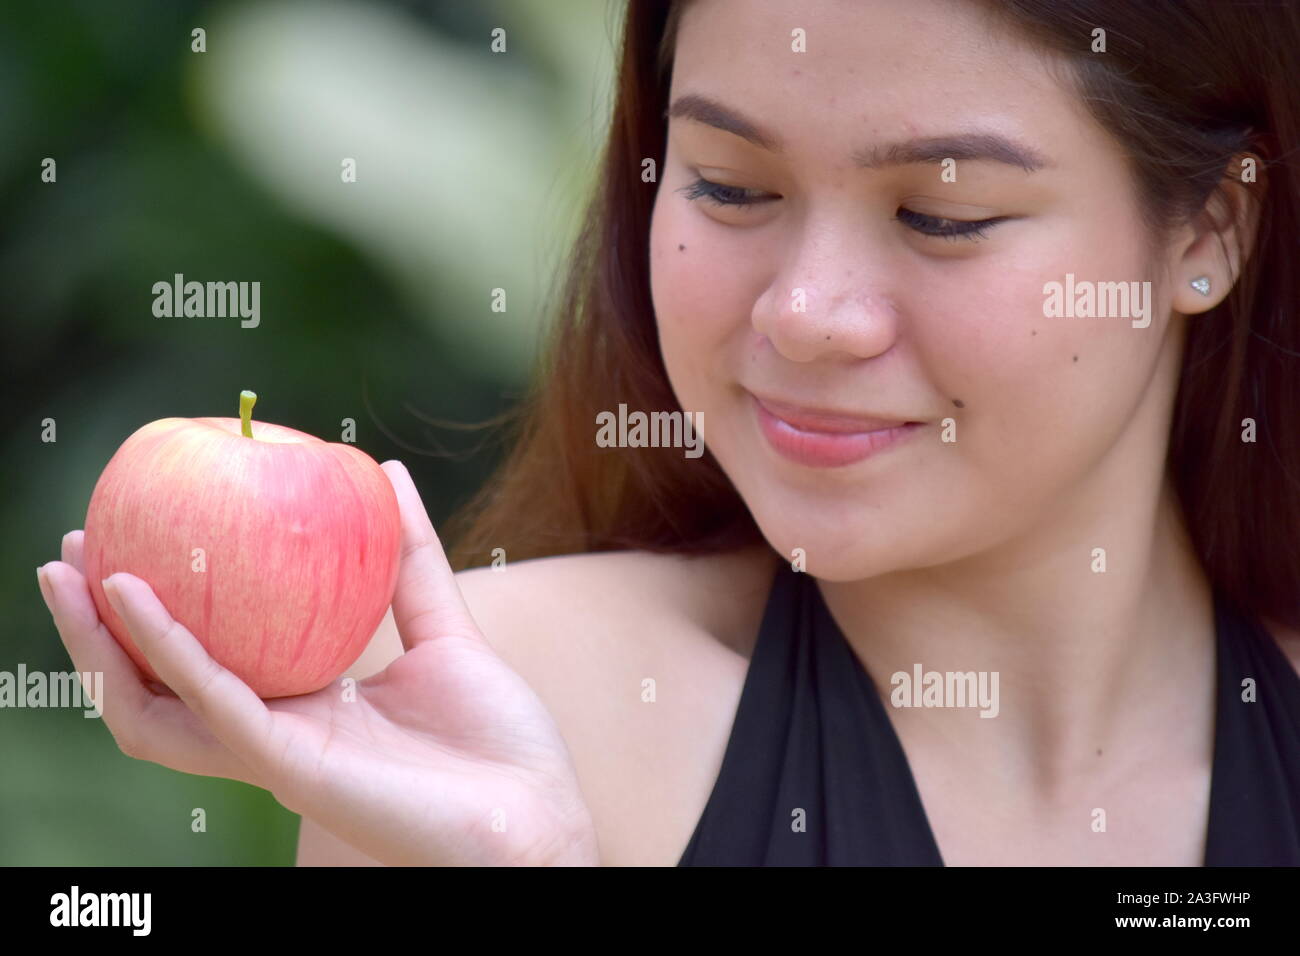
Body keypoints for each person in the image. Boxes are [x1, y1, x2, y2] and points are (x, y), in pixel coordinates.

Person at [38, 0, 1300, 866]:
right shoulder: (514, 704)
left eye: (941, 213)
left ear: (1204, 232)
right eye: (730, 187)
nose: (804, 314)